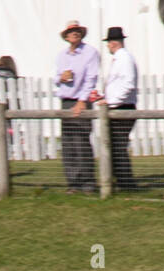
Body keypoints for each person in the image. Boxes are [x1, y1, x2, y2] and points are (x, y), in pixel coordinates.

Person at [54, 19, 100, 194]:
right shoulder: (61, 56)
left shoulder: (90, 53)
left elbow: (91, 79)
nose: (75, 33)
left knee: (81, 143)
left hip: (81, 101)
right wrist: (61, 78)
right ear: (66, 36)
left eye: (78, 30)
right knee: (68, 144)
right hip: (66, 101)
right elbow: (56, 78)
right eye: (71, 31)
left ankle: (88, 183)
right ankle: (73, 183)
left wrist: (82, 101)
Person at [94, 26, 139, 190]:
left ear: (113, 43)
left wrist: (111, 102)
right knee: (115, 146)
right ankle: (121, 181)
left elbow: (128, 84)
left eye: (108, 43)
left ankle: (126, 183)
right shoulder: (120, 59)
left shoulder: (124, 58)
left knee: (118, 147)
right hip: (117, 106)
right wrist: (103, 97)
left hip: (123, 108)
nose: (107, 46)